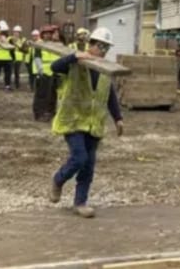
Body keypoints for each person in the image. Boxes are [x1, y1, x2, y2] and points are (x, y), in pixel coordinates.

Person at [48, 27, 124, 218]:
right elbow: (54, 67)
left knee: (88, 167)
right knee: (79, 157)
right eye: (101, 46)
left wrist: (118, 118)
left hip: (93, 123)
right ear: (91, 44)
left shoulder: (104, 69)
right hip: (73, 120)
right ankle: (58, 179)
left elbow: (109, 95)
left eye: (106, 47)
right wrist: (74, 57)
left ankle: (80, 203)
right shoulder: (75, 63)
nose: (103, 51)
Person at [33, 25, 61, 121]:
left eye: (50, 33)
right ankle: (39, 113)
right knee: (41, 95)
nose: (48, 35)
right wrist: (40, 70)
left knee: (53, 94)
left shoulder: (55, 44)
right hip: (44, 72)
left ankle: (50, 112)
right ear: (42, 35)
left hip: (54, 73)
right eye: (46, 34)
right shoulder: (39, 44)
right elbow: (37, 57)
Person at [11, 26, 28, 91]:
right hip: (11, 57)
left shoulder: (23, 40)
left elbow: (25, 50)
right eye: (15, 32)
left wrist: (18, 46)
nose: (16, 33)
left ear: (20, 33)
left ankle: (17, 84)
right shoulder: (10, 39)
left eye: (17, 32)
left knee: (16, 72)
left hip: (18, 58)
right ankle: (9, 84)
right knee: (9, 71)